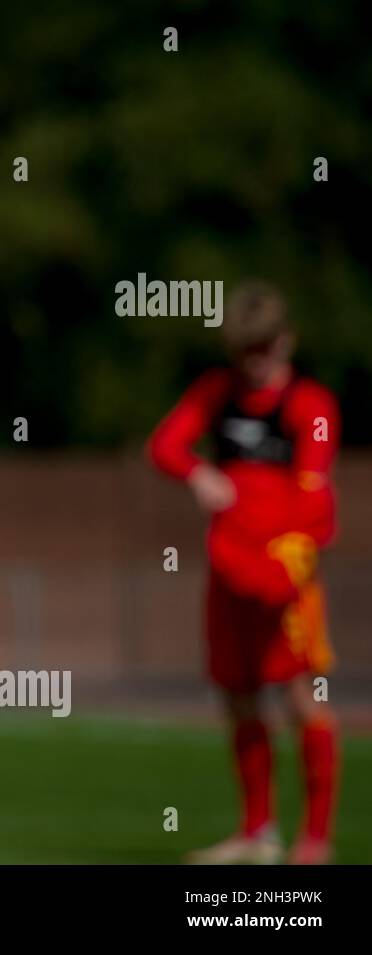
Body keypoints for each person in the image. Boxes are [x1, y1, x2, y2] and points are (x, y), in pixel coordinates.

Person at [147, 281, 340, 865]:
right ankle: (258, 833)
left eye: (263, 348)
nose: (254, 363)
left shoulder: (310, 406)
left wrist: (288, 564)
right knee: (237, 696)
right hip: (228, 572)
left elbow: (316, 499)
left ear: (286, 342)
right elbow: (166, 446)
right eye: (243, 351)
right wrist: (199, 473)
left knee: (303, 697)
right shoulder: (217, 392)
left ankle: (315, 839)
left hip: (283, 576)